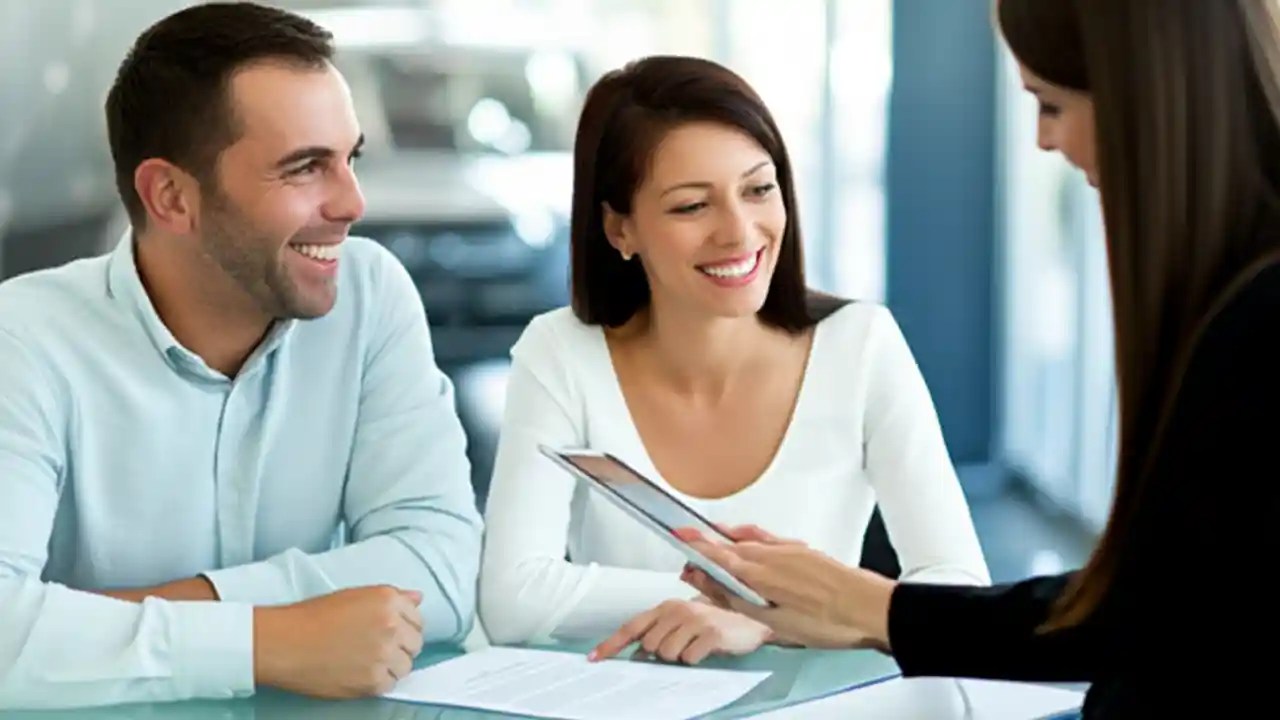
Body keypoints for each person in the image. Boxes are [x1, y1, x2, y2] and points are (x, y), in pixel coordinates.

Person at [679, 0, 1280, 716]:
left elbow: (1156, 619)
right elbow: (1166, 597)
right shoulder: (1234, 294)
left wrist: (869, 607)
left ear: (1143, 95)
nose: (1043, 140)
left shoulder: (1259, 320)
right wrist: (870, 608)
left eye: (1051, 104)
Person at [0, 2, 482, 709]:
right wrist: (270, 641)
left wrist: (111, 618)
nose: (353, 201)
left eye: (350, 158)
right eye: (305, 168)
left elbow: (442, 572)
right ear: (170, 196)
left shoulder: (371, 295)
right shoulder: (23, 339)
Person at [478, 55, 990, 665]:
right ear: (620, 229)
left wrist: (766, 623)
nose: (739, 231)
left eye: (757, 189)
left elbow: (959, 590)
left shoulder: (861, 344)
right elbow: (512, 598)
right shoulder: (561, 352)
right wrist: (755, 604)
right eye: (692, 206)